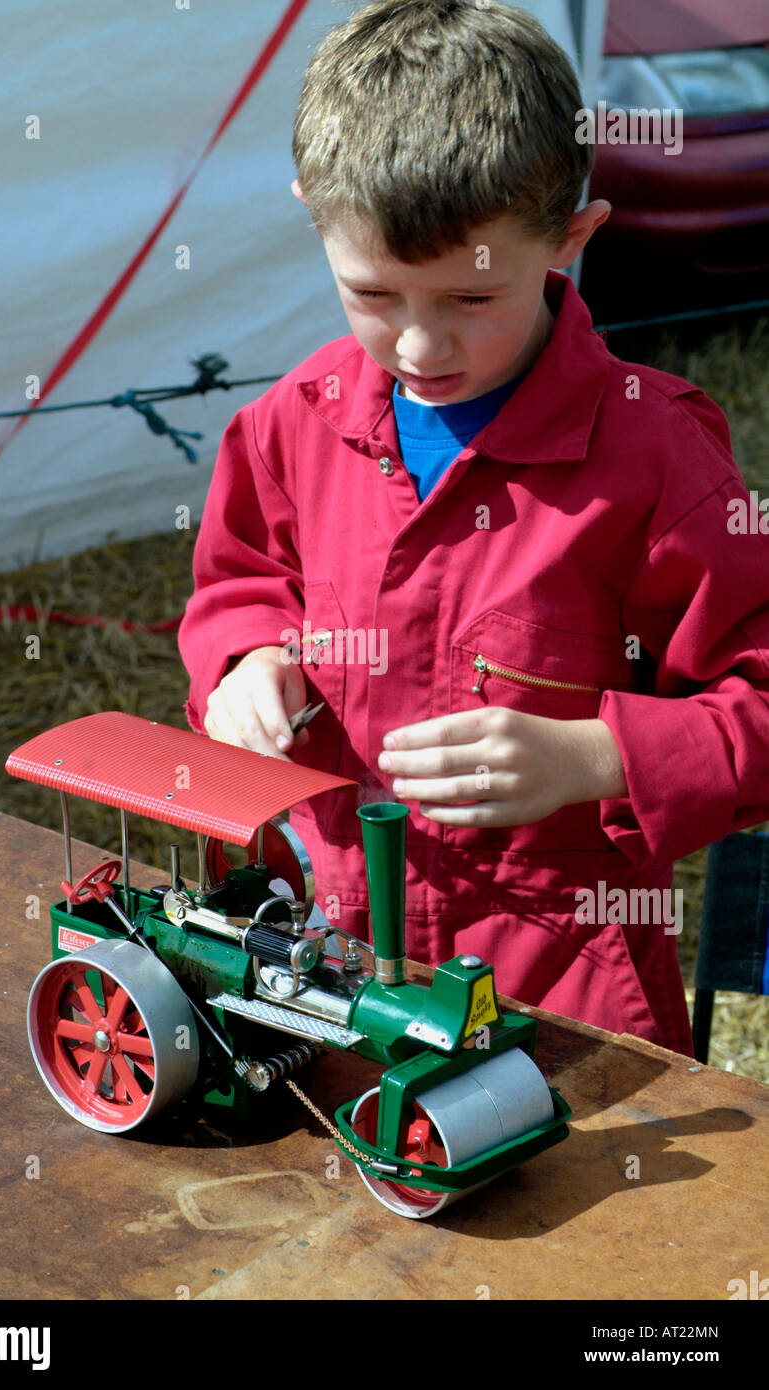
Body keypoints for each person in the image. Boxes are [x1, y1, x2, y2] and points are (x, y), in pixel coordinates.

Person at [178, 0, 769, 1057]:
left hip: (562, 1003)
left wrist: (595, 756)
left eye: (471, 297)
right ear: (313, 216)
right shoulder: (289, 424)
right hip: (326, 961)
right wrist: (245, 662)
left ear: (573, 238)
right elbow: (240, 582)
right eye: (372, 292)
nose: (418, 341)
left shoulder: (656, 459)